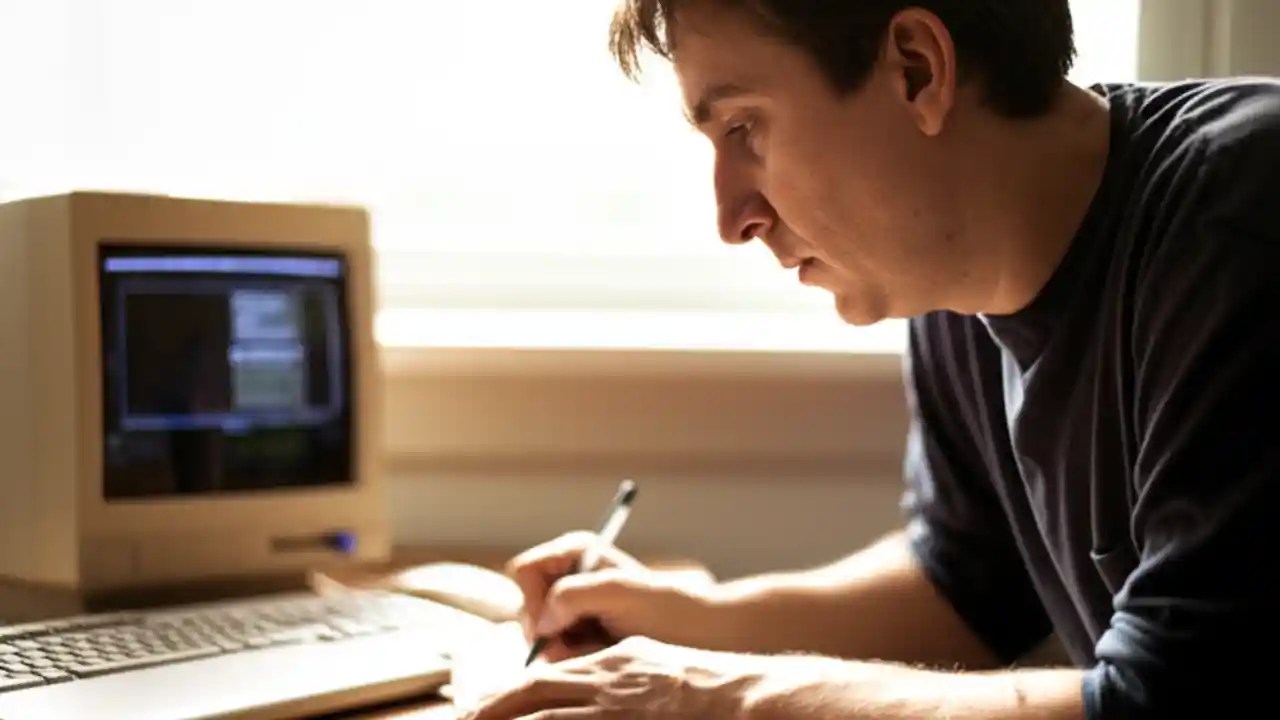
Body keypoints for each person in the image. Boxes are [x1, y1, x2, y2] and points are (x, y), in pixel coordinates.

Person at [463, 0, 1279, 718]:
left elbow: (1172, 701)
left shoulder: (1244, 214)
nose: (731, 217)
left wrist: (720, 698)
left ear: (917, 70)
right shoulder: (955, 278)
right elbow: (963, 588)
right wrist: (688, 619)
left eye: (744, 128)